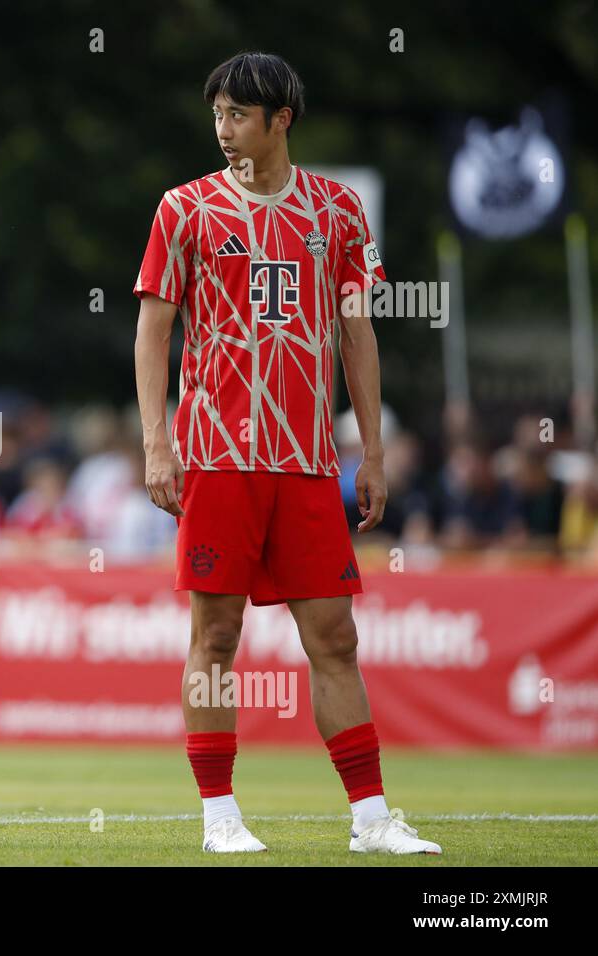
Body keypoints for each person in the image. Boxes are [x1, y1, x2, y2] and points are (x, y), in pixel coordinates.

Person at [133, 52, 440, 855]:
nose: (225, 130)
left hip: (307, 461)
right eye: (217, 116)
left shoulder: (337, 211)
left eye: (238, 115)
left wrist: (371, 452)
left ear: (281, 121)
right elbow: (153, 332)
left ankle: (371, 819)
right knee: (217, 637)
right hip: (216, 459)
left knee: (335, 637)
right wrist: (157, 442)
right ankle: (219, 817)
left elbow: (358, 335)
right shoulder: (186, 208)